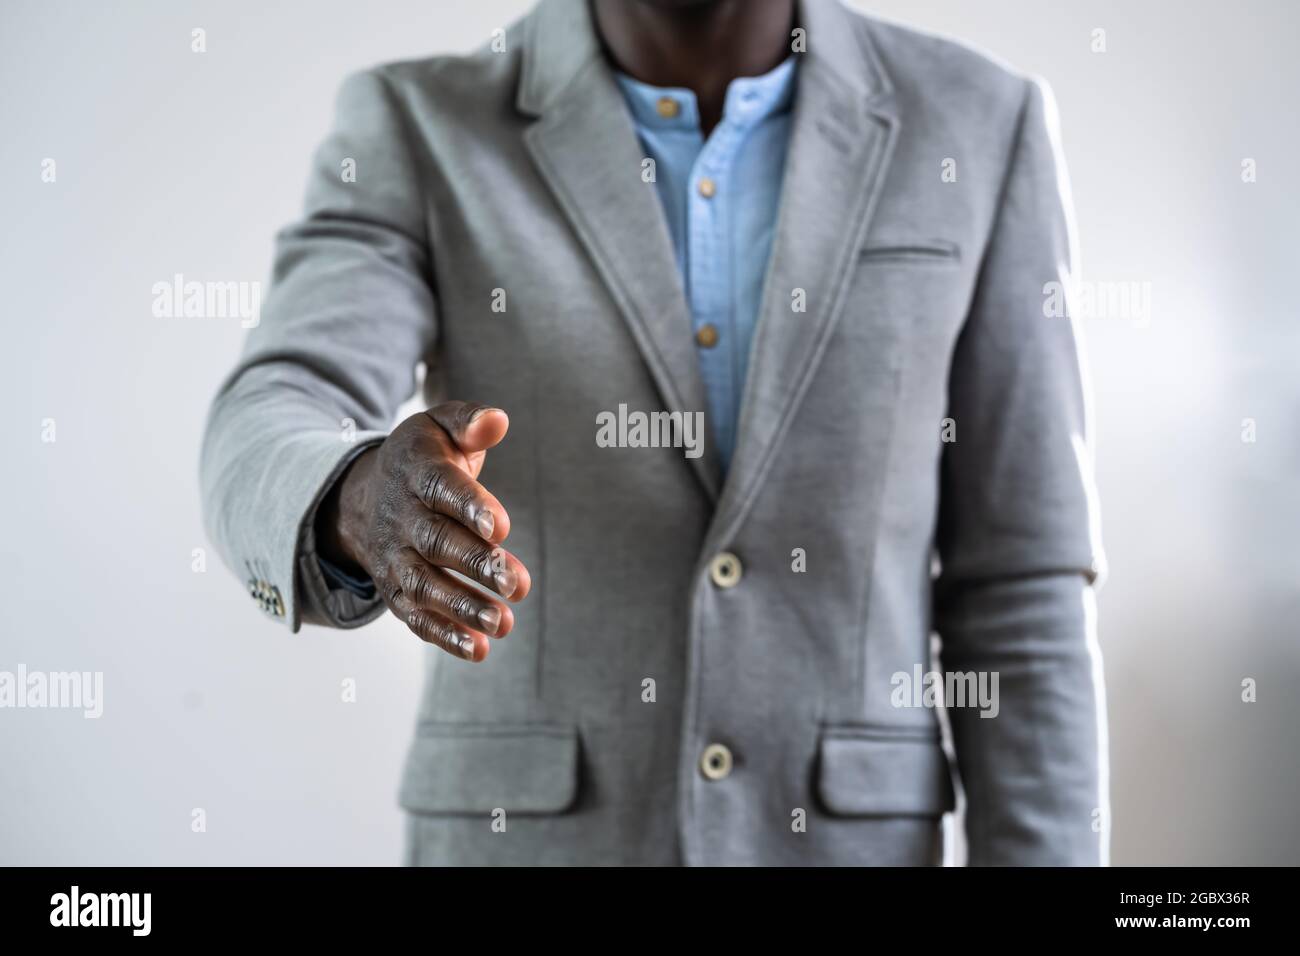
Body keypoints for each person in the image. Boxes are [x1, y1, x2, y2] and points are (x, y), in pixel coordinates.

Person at [201, 0, 1108, 865]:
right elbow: (274, 404)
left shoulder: (978, 123)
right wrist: (358, 494)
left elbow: (1020, 585)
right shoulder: (420, 123)